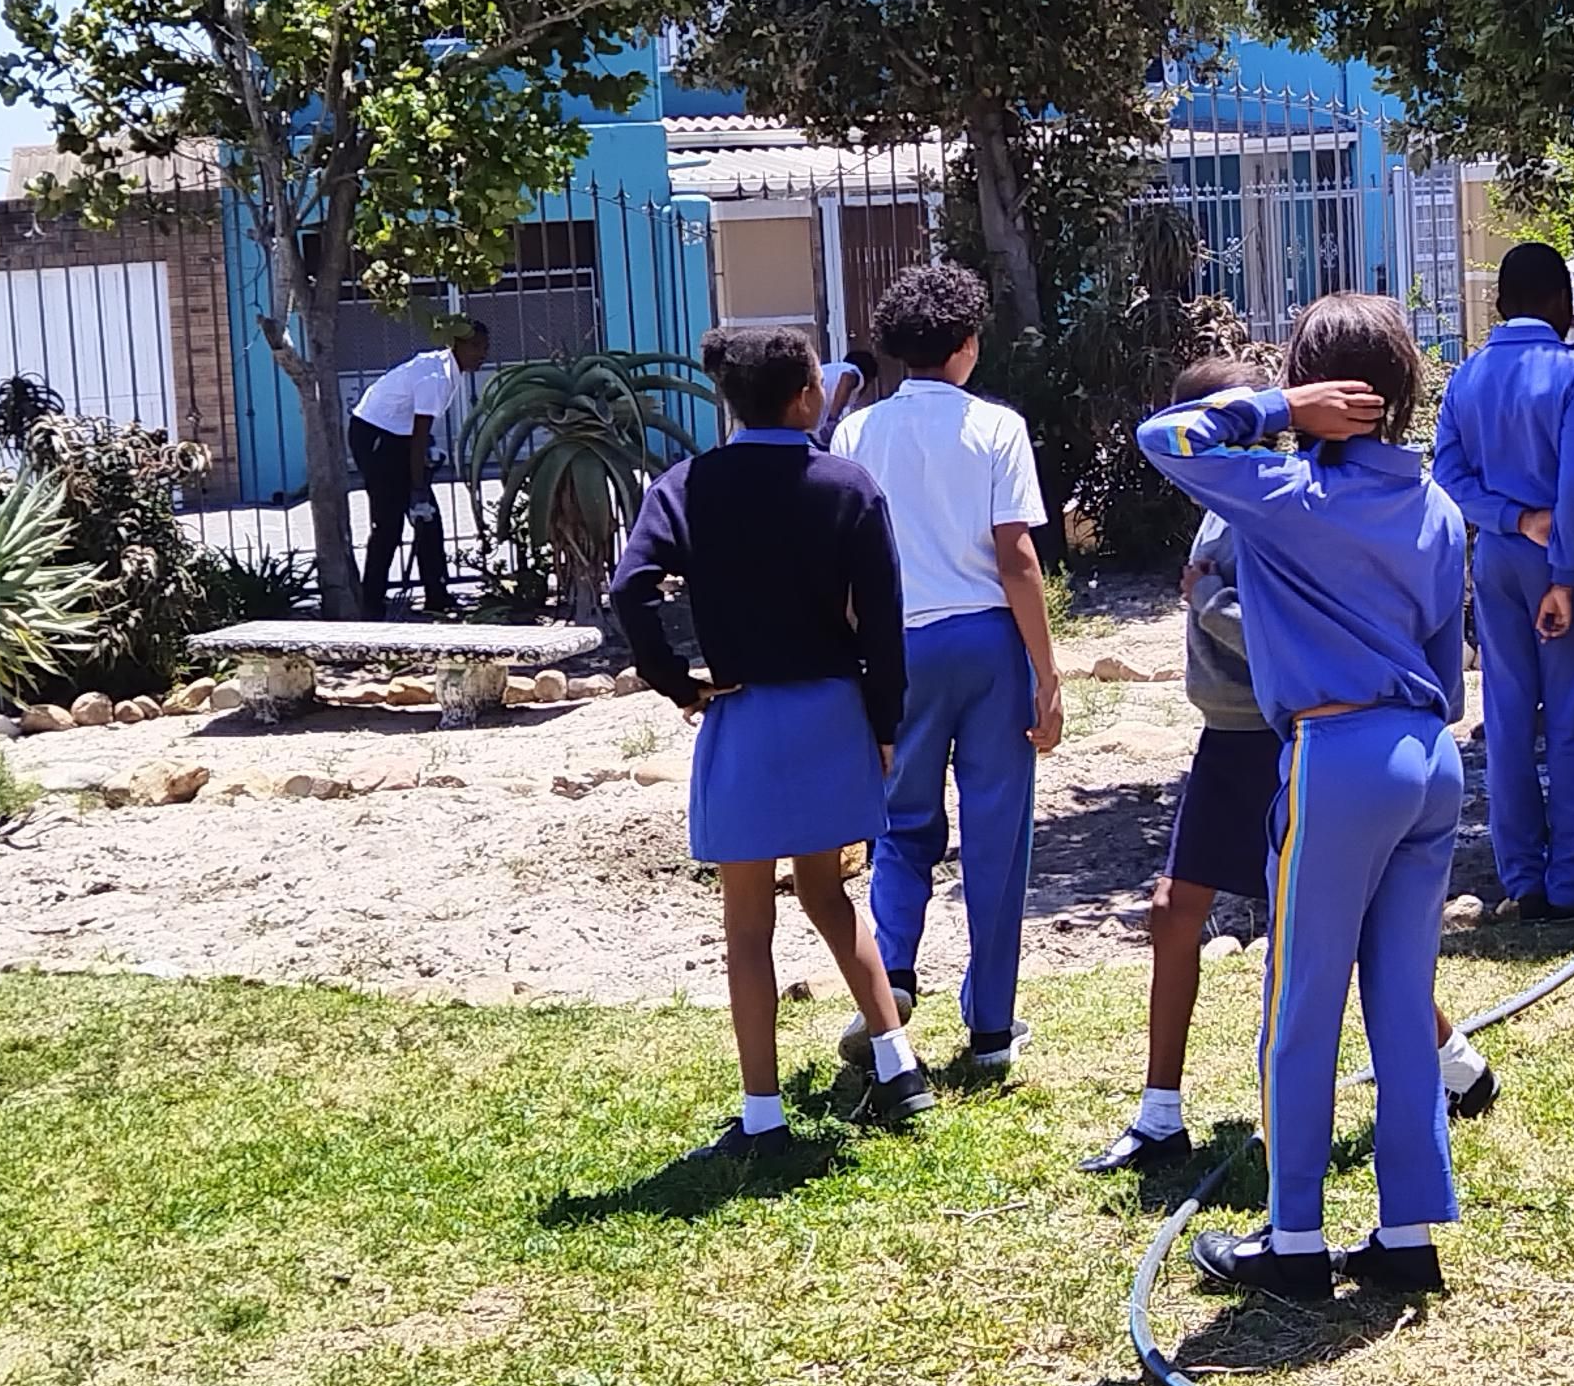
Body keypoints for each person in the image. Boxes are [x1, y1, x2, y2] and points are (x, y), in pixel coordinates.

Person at [1084, 353, 1498, 1177]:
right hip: (1227, 737)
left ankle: (1446, 1073)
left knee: (1337, 943)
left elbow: (1282, 624)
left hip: (1295, 738)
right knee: (1176, 910)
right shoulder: (1223, 507)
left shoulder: (1279, 495)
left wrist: (1205, 599)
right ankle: (1159, 1111)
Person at [1133, 294, 1469, 1302]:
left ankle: (1292, 1239)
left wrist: (1279, 409)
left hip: (1334, 754)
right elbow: (1448, 672)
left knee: (1302, 1000)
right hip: (1429, 757)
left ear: (1318, 388)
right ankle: (1406, 1229)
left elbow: (1166, 436)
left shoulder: (1283, 491)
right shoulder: (1438, 506)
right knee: (1402, 1003)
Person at [608, 322, 931, 1149]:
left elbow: (631, 587)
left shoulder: (688, 484)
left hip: (744, 718)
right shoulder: (848, 485)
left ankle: (763, 1116)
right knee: (830, 895)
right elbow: (885, 621)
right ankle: (899, 1066)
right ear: (804, 397)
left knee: (749, 926)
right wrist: (885, 720)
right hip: (832, 711)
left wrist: (679, 680)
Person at [832, 261, 1064, 1075]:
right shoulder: (996, 427)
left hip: (900, 646)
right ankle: (992, 1027)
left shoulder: (857, 433)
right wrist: (1047, 670)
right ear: (967, 345)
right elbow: (1018, 558)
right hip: (989, 645)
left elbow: (847, 566)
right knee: (998, 833)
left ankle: (890, 979)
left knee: (901, 825)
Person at [1428, 239, 1574, 921]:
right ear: (1564, 304)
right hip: (1561, 562)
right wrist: (1563, 568)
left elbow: (1446, 478)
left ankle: (1522, 877)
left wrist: (1508, 517)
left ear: (1498, 306)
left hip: (1497, 556)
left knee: (1506, 715)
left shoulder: (1465, 378)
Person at [351, 316, 484, 616]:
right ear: (457, 345)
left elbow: (418, 434)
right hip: (375, 437)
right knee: (389, 525)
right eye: (476, 346)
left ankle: (437, 595)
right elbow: (420, 433)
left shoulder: (448, 370)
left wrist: (423, 473)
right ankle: (371, 602)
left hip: (399, 437)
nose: (482, 354)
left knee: (429, 522)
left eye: (484, 347)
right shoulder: (435, 378)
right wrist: (417, 489)